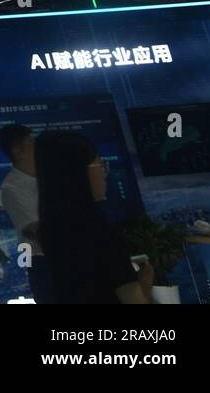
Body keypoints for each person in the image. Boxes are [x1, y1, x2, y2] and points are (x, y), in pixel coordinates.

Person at [36, 130, 153, 304]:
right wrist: (144, 285)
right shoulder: (101, 233)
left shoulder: (50, 229)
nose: (104, 173)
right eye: (99, 165)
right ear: (79, 174)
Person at [0, 123, 51, 303]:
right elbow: (34, 229)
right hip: (44, 263)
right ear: (17, 151)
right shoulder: (11, 187)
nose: (37, 145)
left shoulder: (46, 175)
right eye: (31, 141)